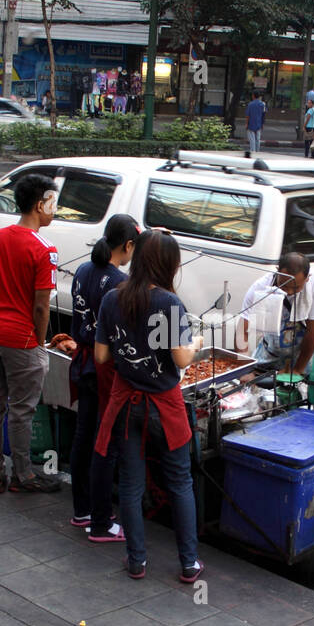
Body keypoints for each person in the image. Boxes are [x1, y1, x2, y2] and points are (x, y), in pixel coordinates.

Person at [93, 230, 204, 583]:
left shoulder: (113, 298)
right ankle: (188, 564)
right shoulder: (169, 303)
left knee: (130, 483)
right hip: (164, 405)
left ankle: (136, 560)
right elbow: (181, 358)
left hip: (127, 403)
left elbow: (100, 355)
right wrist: (197, 342)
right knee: (179, 482)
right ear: (169, 264)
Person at [0, 173, 63, 495]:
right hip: (22, 339)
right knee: (22, 411)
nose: (56, 208)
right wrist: (38, 344)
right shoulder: (44, 249)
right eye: (53, 202)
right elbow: (42, 307)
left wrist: (6, 289)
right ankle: (23, 476)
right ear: (41, 205)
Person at [69, 214, 138, 541]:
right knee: (104, 443)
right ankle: (101, 521)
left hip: (81, 364)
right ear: (127, 245)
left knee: (83, 436)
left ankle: (81, 509)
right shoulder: (118, 283)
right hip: (103, 370)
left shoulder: (83, 270)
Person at [238, 252, 314, 375]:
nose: (289, 292)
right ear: (277, 271)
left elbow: (313, 331)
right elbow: (241, 329)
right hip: (269, 353)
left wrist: (297, 369)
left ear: (307, 278)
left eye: (296, 288)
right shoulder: (260, 287)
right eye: (284, 285)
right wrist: (244, 370)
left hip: (303, 356)